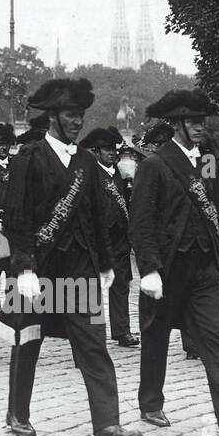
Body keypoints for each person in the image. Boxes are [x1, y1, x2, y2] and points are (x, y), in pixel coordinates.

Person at [1, 77, 140, 436]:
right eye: (70, 115)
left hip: (80, 269)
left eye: (80, 115)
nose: (78, 122)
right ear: (53, 118)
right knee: (27, 341)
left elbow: (98, 217)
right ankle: (18, 413)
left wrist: (107, 265)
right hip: (38, 268)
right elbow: (17, 218)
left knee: (94, 344)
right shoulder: (28, 159)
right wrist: (24, 266)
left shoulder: (87, 163)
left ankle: (107, 425)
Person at [130, 89, 219, 436]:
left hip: (205, 265)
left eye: (201, 121)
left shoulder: (206, 163)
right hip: (167, 267)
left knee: (214, 335)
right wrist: (148, 269)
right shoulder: (154, 164)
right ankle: (150, 403)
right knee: (156, 334)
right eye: (192, 122)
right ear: (176, 124)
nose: (199, 127)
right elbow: (141, 222)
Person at [80, 126, 138, 348]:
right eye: (106, 150)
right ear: (96, 152)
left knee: (121, 284)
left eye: (114, 149)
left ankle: (122, 331)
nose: (112, 153)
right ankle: (93, 332)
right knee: (93, 286)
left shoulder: (121, 176)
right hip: (96, 238)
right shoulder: (88, 174)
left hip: (119, 238)